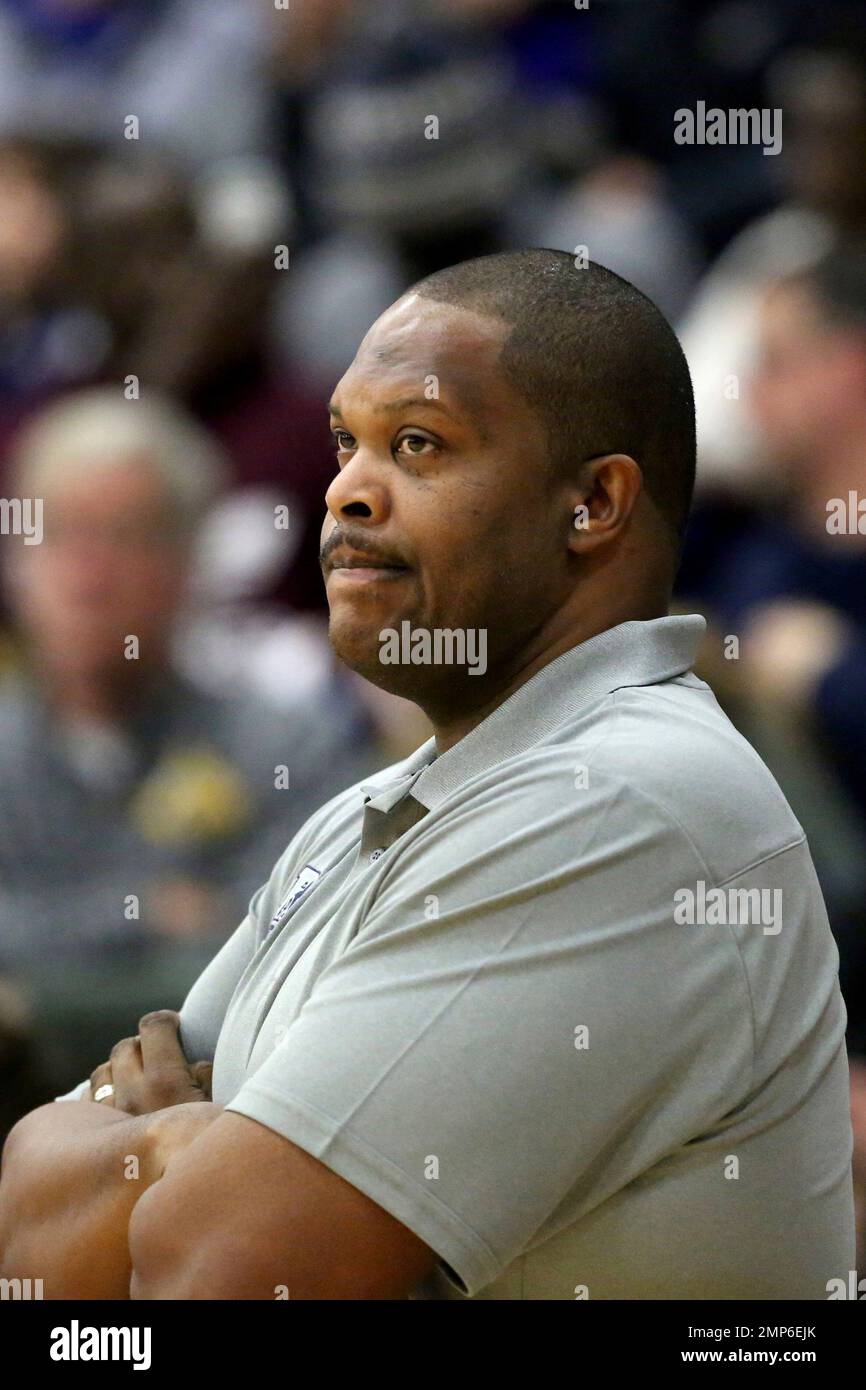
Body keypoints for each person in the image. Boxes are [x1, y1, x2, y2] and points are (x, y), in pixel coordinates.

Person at [0, 250, 855, 1300]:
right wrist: (197, 1154)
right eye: (342, 443)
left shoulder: (618, 804)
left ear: (592, 501)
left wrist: (169, 1146)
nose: (347, 491)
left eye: (416, 444)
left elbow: (219, 1276)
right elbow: (27, 1252)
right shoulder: (369, 810)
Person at [0, 386, 377, 966]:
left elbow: (280, 948)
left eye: (124, 537)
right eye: (57, 533)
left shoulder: (287, 745)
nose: (88, 577)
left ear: (191, 561)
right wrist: (143, 914)